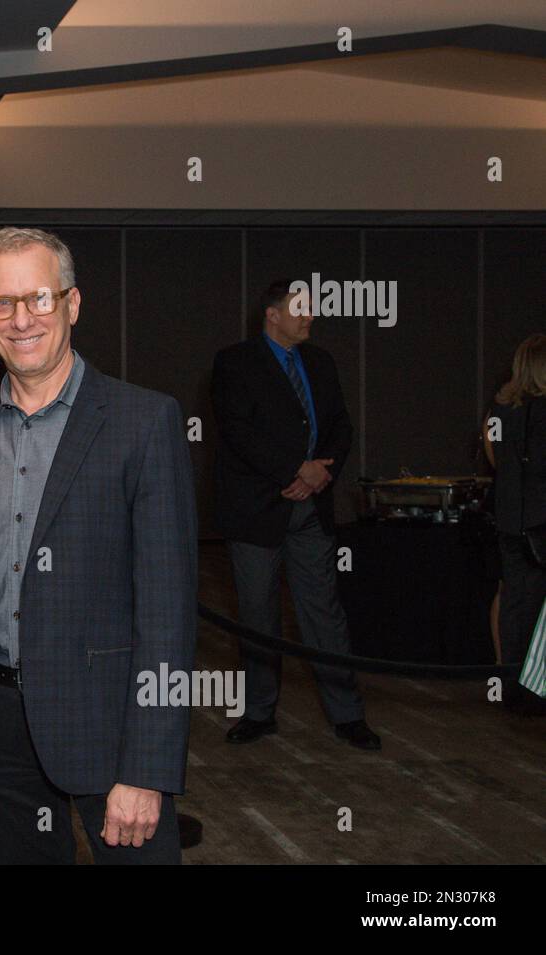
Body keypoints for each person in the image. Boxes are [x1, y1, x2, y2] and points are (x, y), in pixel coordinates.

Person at [0, 227, 197, 864]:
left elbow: (168, 612)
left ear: (73, 304)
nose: (21, 319)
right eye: (2, 303)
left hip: (110, 728)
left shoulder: (144, 422)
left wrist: (146, 768)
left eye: (39, 298)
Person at [212, 279, 379, 749]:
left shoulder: (320, 362)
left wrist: (320, 474)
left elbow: (340, 425)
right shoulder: (235, 362)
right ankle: (260, 713)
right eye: (300, 309)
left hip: (311, 508)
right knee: (257, 616)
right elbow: (238, 431)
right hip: (256, 512)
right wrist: (294, 469)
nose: (310, 317)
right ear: (272, 315)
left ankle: (347, 715)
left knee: (324, 613)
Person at [484, 333, 546, 716]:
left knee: (513, 603)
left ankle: (512, 685)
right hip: (542, 521)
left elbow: (494, 458)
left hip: (510, 521)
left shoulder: (499, 409)